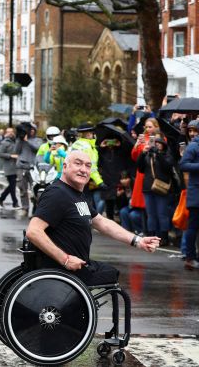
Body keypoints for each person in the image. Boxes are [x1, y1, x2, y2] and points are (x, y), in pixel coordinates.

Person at [26, 151, 160, 286]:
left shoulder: (77, 194)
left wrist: (138, 241)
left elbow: (101, 223)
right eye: (78, 164)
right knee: (109, 276)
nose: (83, 169)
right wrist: (65, 259)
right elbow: (33, 231)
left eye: (88, 166)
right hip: (62, 270)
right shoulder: (57, 194)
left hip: (78, 265)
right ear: (64, 167)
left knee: (110, 272)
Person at [137, 135, 176, 244]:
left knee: (162, 214)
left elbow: (167, 168)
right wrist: (143, 153)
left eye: (159, 143)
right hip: (148, 188)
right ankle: (151, 236)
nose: (156, 144)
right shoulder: (148, 155)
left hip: (161, 188)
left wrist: (158, 154)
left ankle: (164, 237)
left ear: (163, 145)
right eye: (155, 142)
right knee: (151, 214)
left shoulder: (167, 155)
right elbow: (140, 169)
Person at [70, 122, 107, 214]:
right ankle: (84, 223)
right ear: (89, 134)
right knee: (85, 201)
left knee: (78, 200)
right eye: (93, 134)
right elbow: (92, 167)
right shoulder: (87, 147)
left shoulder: (77, 144)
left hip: (74, 176)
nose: (95, 136)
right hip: (83, 177)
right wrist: (100, 182)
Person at [180, 120, 199, 270]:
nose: (192, 133)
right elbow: (183, 165)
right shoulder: (193, 146)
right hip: (196, 193)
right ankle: (190, 257)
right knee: (192, 226)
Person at [15, 123, 42, 214]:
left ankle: (36, 207)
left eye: (32, 129)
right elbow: (16, 151)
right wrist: (20, 139)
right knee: (22, 188)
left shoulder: (38, 140)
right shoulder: (20, 140)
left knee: (35, 189)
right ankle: (25, 207)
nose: (31, 131)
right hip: (21, 167)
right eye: (29, 130)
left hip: (33, 167)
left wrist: (27, 141)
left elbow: (37, 149)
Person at [0, 127, 19, 208]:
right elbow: (0, 154)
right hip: (9, 167)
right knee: (12, 184)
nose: (11, 133)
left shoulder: (17, 141)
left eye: (12, 132)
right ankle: (15, 203)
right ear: (6, 133)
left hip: (17, 166)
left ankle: (1, 198)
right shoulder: (4, 143)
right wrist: (11, 156)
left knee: (12, 185)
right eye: (9, 132)